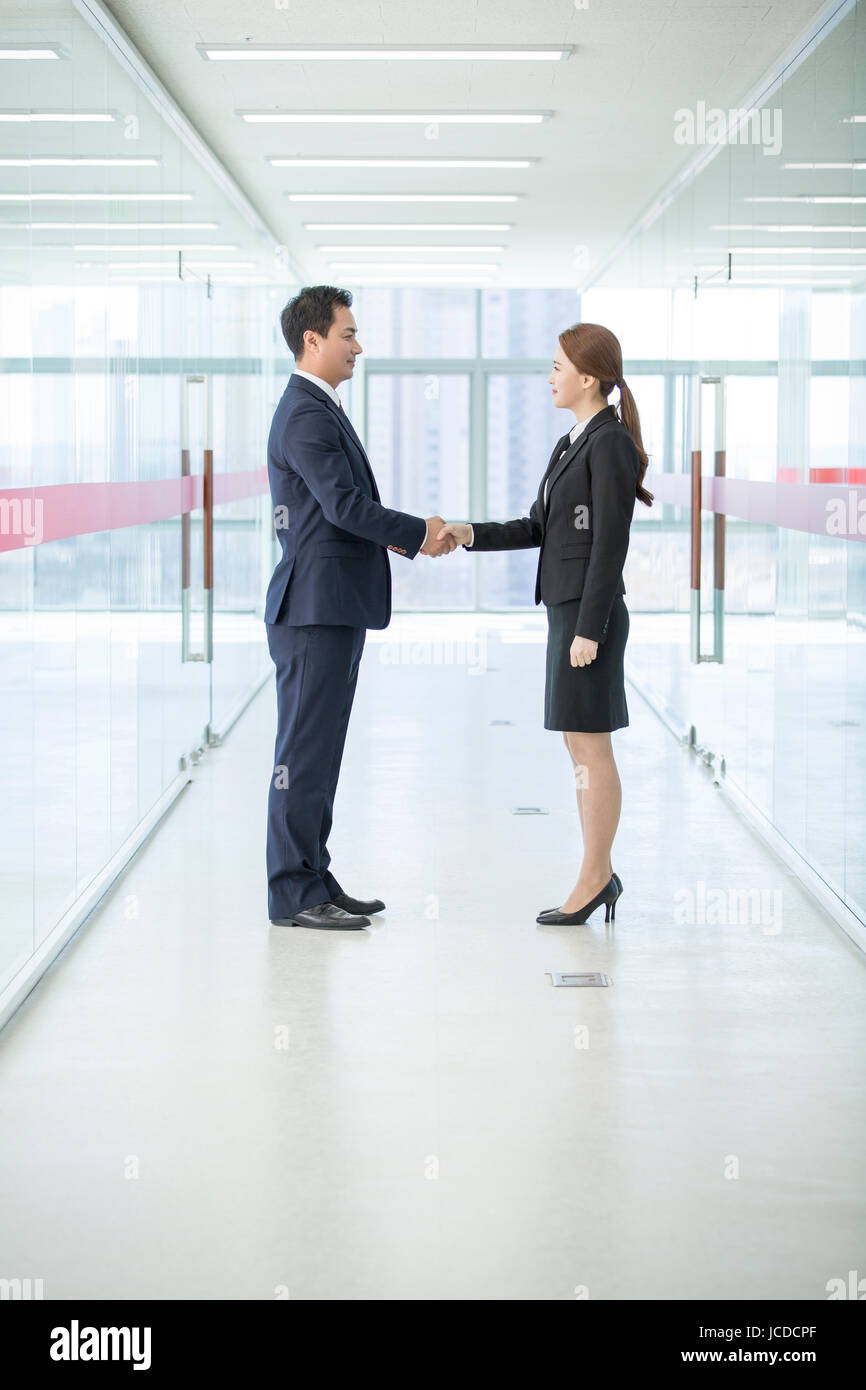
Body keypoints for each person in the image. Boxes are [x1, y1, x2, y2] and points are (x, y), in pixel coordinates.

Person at [438, 322, 653, 925]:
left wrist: (590, 628)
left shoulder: (607, 442)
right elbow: (537, 526)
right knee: (578, 744)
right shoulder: (574, 441)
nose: (550, 377)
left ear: (589, 378)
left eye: (559, 367)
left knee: (591, 745)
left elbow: (611, 542)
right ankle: (597, 872)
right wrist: (470, 532)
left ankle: (595, 876)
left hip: (590, 616)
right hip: (569, 612)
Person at [265, 285, 455, 931]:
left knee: (321, 751)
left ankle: (314, 877)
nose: (358, 345)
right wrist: (418, 531)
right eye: (348, 334)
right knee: (304, 753)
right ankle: (294, 891)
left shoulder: (318, 407)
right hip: (314, 609)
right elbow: (343, 506)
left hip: (332, 606)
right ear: (312, 339)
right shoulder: (305, 413)